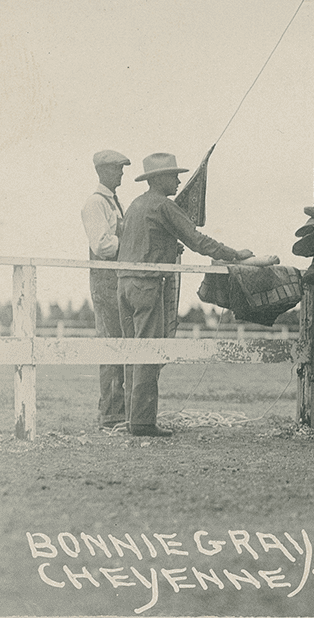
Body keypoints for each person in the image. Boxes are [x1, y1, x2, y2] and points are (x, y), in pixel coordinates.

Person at [116, 152, 254, 437]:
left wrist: (167, 247)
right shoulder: (163, 206)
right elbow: (197, 240)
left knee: (132, 351)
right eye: (173, 175)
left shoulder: (136, 205)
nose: (179, 180)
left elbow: (141, 241)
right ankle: (142, 423)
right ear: (159, 179)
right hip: (147, 285)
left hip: (124, 285)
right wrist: (235, 255)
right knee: (150, 352)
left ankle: (133, 418)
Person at [81, 149, 130, 429]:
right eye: (117, 169)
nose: (121, 173)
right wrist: (132, 245)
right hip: (104, 282)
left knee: (121, 344)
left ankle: (117, 410)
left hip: (118, 280)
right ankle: (111, 413)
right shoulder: (95, 204)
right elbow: (102, 245)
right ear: (104, 171)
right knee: (111, 344)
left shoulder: (114, 203)